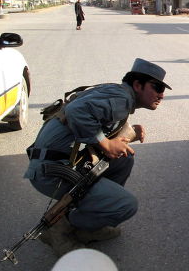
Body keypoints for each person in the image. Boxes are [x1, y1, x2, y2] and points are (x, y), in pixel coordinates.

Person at [24, 58, 171, 257]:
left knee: (123, 159)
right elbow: (76, 111)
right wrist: (105, 143)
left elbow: (91, 124)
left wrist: (124, 135)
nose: (161, 94)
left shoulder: (116, 92)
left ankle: (89, 227)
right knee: (126, 205)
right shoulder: (122, 100)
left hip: (51, 163)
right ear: (138, 85)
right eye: (157, 87)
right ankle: (58, 229)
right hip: (51, 173)